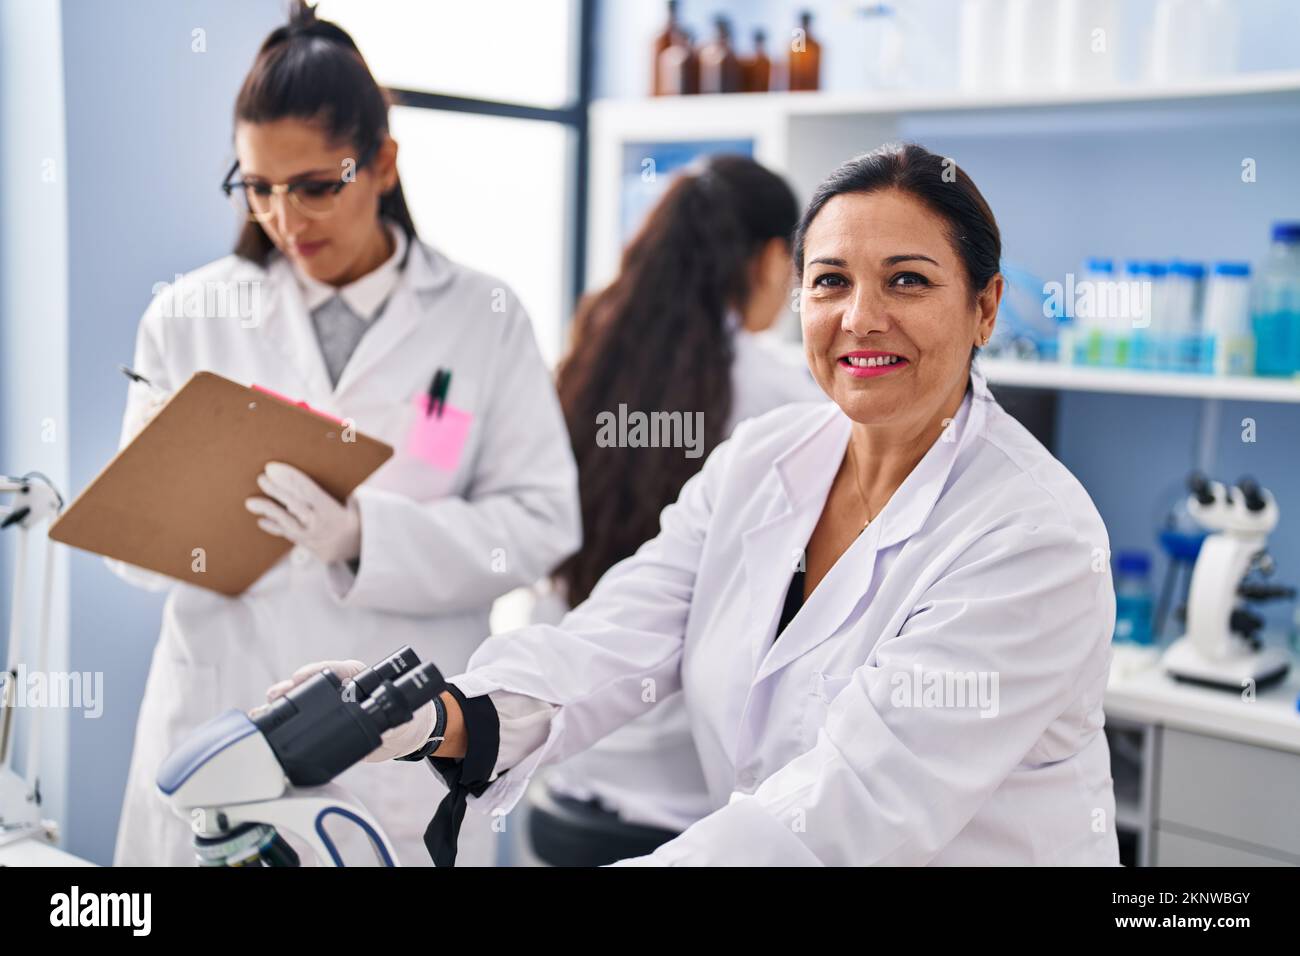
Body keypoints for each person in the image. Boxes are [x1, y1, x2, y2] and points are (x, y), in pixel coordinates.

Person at [272, 143, 1120, 866]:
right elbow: (615, 640)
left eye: (907, 281)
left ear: (984, 307)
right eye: (829, 283)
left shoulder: (1031, 534)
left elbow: (853, 803)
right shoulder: (762, 459)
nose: (861, 318)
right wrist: (446, 715)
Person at [110, 5, 579, 867]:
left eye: (317, 185)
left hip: (397, 756)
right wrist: (180, 517)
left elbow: (542, 524)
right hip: (220, 727)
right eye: (259, 188)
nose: (287, 219)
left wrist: (369, 537)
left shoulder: (481, 320)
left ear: (384, 162)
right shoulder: (187, 317)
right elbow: (130, 549)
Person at [534, 156, 824, 863]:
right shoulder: (781, 402)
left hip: (565, 775)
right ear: (766, 259)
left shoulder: (585, 365)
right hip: (690, 808)